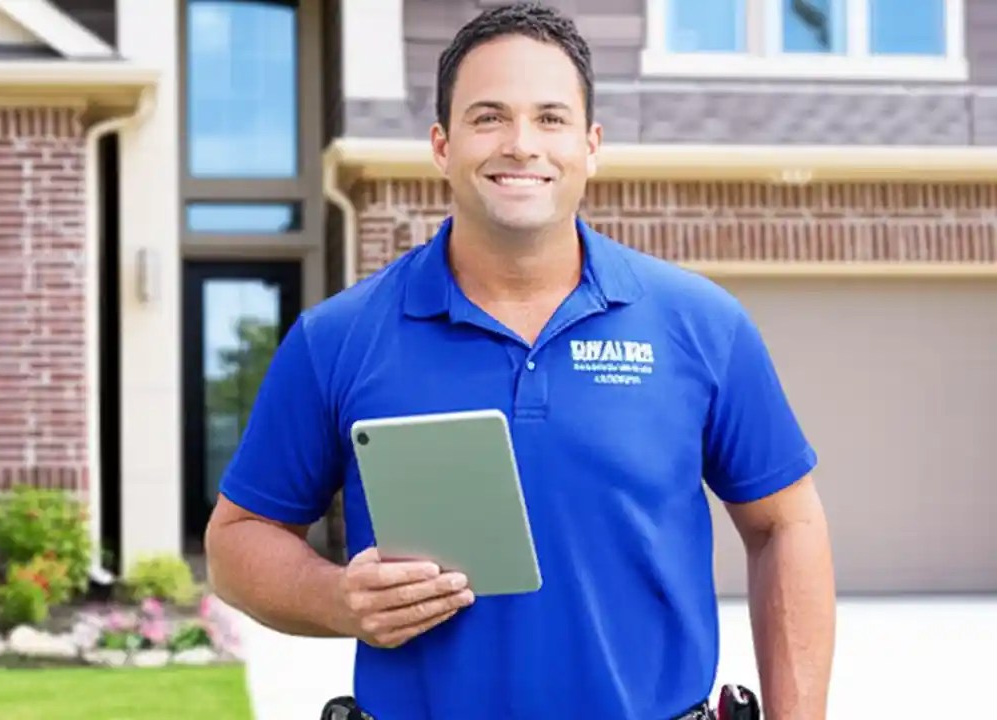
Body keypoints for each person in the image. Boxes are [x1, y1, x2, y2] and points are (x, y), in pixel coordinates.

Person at [204, 3, 836, 718]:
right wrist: (335, 599)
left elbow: (788, 524)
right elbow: (237, 541)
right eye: (488, 117)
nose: (521, 144)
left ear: (590, 145)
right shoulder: (338, 338)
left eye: (550, 118)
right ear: (442, 145)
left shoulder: (700, 324)